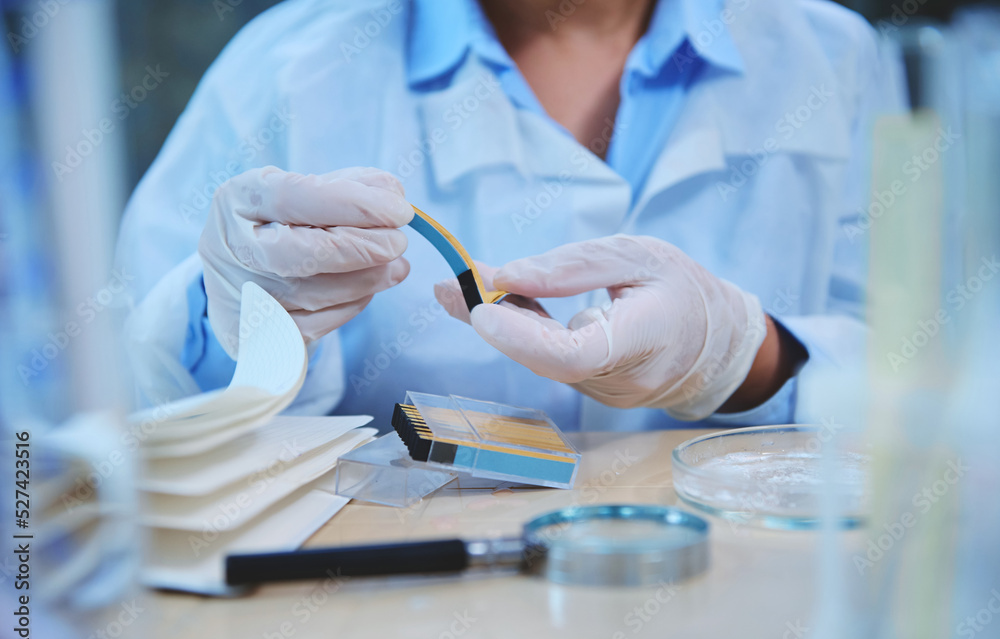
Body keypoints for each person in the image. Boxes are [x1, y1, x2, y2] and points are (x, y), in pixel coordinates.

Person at [116, 0, 891, 431]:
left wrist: (736, 357)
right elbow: (122, 422)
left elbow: (927, 391)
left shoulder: (836, 57)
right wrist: (244, 327)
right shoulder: (286, 69)